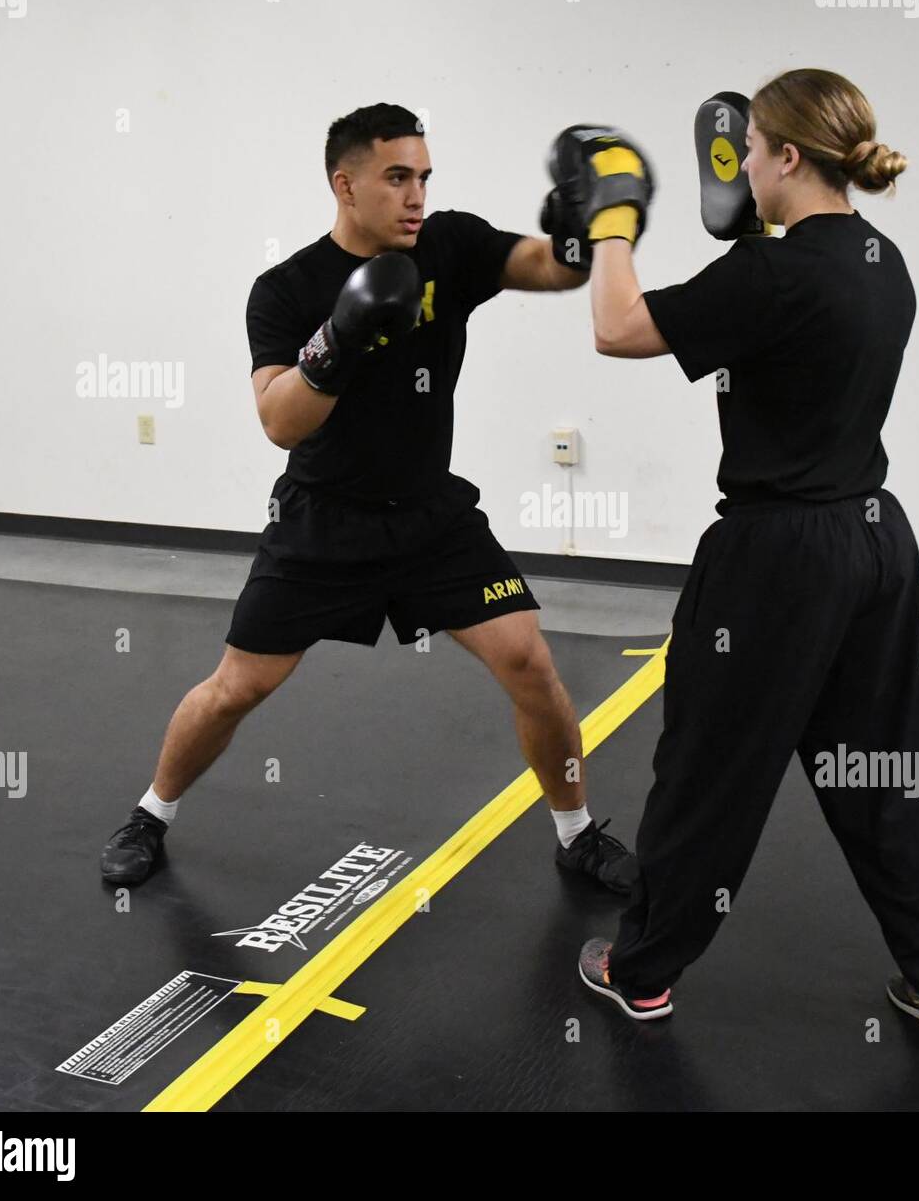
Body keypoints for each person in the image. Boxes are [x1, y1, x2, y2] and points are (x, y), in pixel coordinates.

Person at [100, 103, 637, 896]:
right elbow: (281, 423)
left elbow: (552, 270)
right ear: (343, 184)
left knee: (528, 658)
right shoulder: (284, 290)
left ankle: (576, 832)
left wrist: (579, 228)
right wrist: (340, 339)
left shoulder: (448, 245)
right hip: (323, 521)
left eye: (423, 177)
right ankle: (152, 812)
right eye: (396, 179)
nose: (416, 196)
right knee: (236, 688)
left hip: (431, 517)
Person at [561, 70, 919, 1047]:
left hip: (775, 559)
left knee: (709, 767)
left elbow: (615, 325)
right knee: (880, 770)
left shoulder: (770, 275)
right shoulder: (886, 261)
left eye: (751, 149)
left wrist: (613, 216)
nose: (741, 163)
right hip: (875, 538)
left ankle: (642, 969)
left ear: (788, 157)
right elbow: (782, 338)